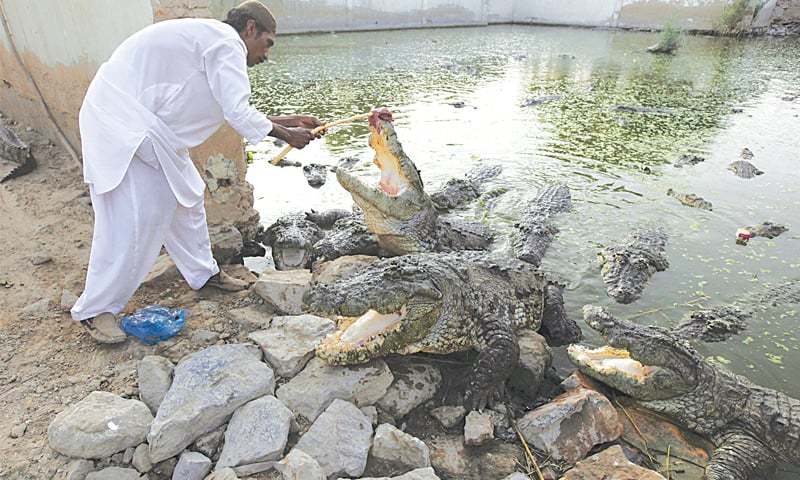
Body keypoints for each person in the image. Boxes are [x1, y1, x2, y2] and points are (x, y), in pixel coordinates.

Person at [71, 1, 320, 343]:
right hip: (121, 120)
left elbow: (231, 108)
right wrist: (288, 135)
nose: (267, 54)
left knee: (186, 195)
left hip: (146, 124)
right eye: (268, 43)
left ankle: (204, 276)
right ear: (250, 29)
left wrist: (287, 122)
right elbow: (237, 110)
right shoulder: (227, 43)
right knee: (135, 216)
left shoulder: (212, 41)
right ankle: (95, 310)